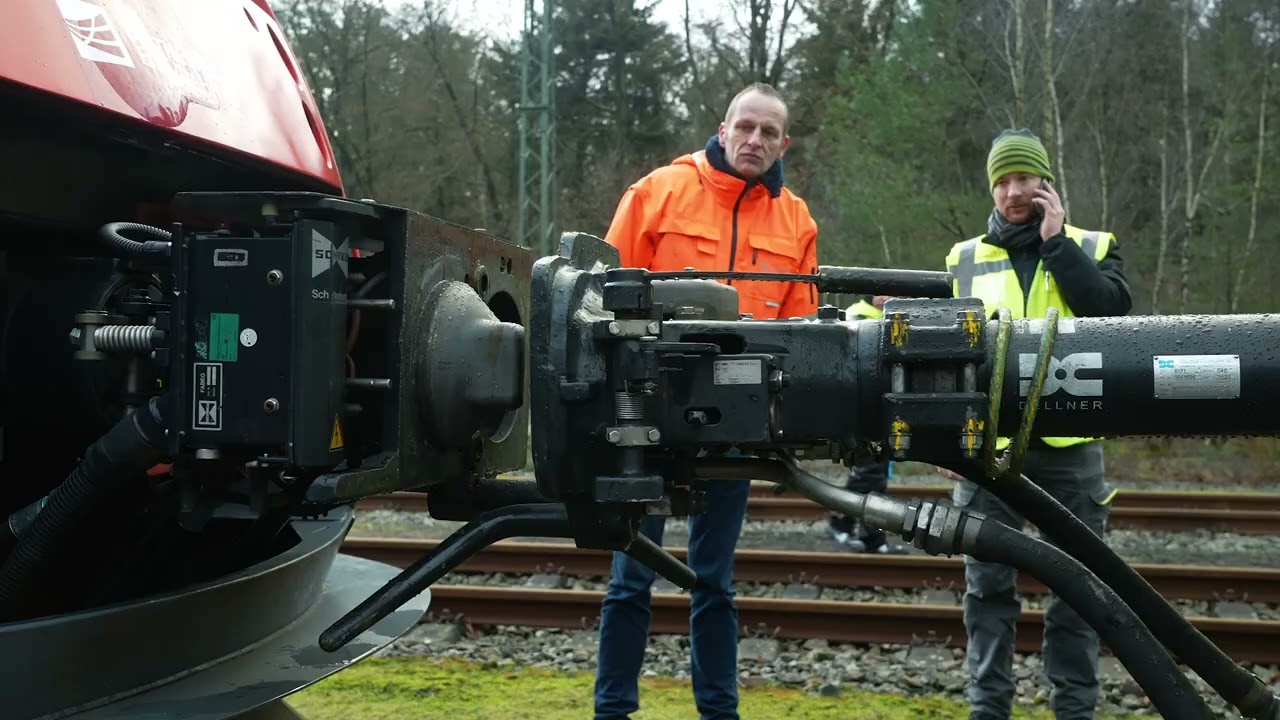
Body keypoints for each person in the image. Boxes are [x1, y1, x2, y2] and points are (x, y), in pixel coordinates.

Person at [594, 82, 818, 720]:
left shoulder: (796, 220)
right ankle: (612, 711)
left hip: (739, 430)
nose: (754, 140)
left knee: (715, 583)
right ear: (723, 129)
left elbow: (802, 339)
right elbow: (601, 305)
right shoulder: (657, 192)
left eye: (768, 132)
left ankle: (720, 712)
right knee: (630, 578)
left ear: (783, 144)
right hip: (646, 420)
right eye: (745, 127)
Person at [944, 128, 1130, 720]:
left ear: (1045, 182)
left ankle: (1075, 711)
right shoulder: (962, 258)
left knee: (1079, 594)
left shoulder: (1092, 245)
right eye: (1002, 180)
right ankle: (988, 709)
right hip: (987, 448)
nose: (1013, 190)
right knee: (986, 590)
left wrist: (1056, 244)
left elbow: (1109, 312)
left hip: (1070, 446)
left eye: (1024, 178)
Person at [826, 294, 907, 554]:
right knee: (868, 475)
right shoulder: (861, 318)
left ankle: (870, 535)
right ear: (872, 296)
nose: (890, 299)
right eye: (883, 294)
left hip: (877, 412)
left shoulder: (883, 319)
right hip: (864, 413)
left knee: (874, 477)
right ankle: (843, 523)